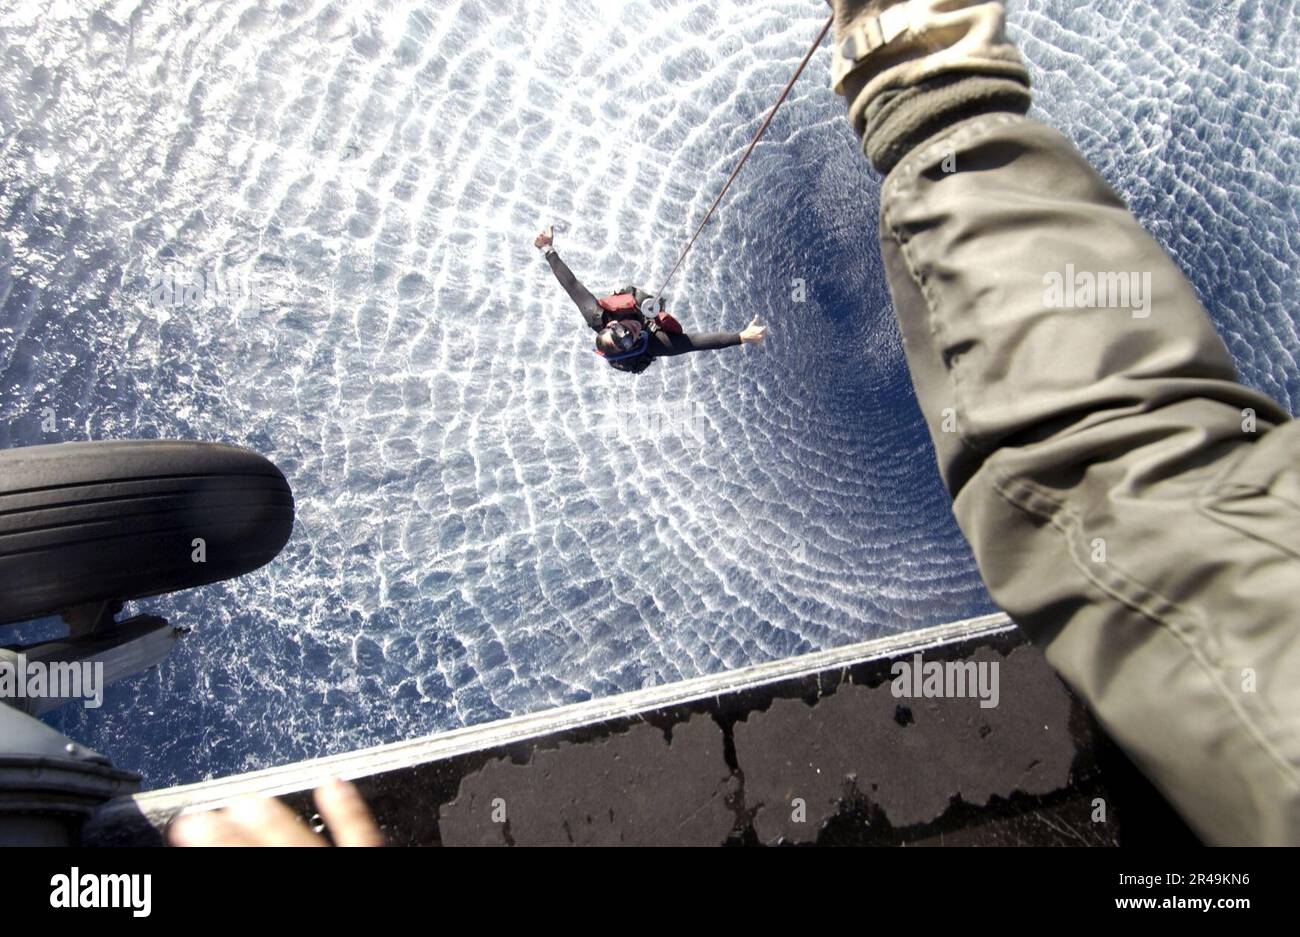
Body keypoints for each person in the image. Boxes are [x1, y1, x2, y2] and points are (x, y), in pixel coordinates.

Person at [175, 0, 1299, 846]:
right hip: (670, 343)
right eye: (624, 318)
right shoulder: (640, 340)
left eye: (625, 315)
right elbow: (659, 333)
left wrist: (576, 264)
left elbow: (1138, 477)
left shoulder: (633, 325)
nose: (625, 315)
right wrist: (714, 327)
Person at [533, 225, 767, 373]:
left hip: (627, 311)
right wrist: (741, 337)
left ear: (613, 324)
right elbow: (697, 343)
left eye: (628, 328)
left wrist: (548, 250)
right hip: (650, 333)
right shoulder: (654, 345)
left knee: (633, 296)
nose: (635, 329)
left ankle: (637, 305)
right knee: (659, 315)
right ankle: (650, 315)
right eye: (634, 336)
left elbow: (571, 286)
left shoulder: (598, 316)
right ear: (635, 343)